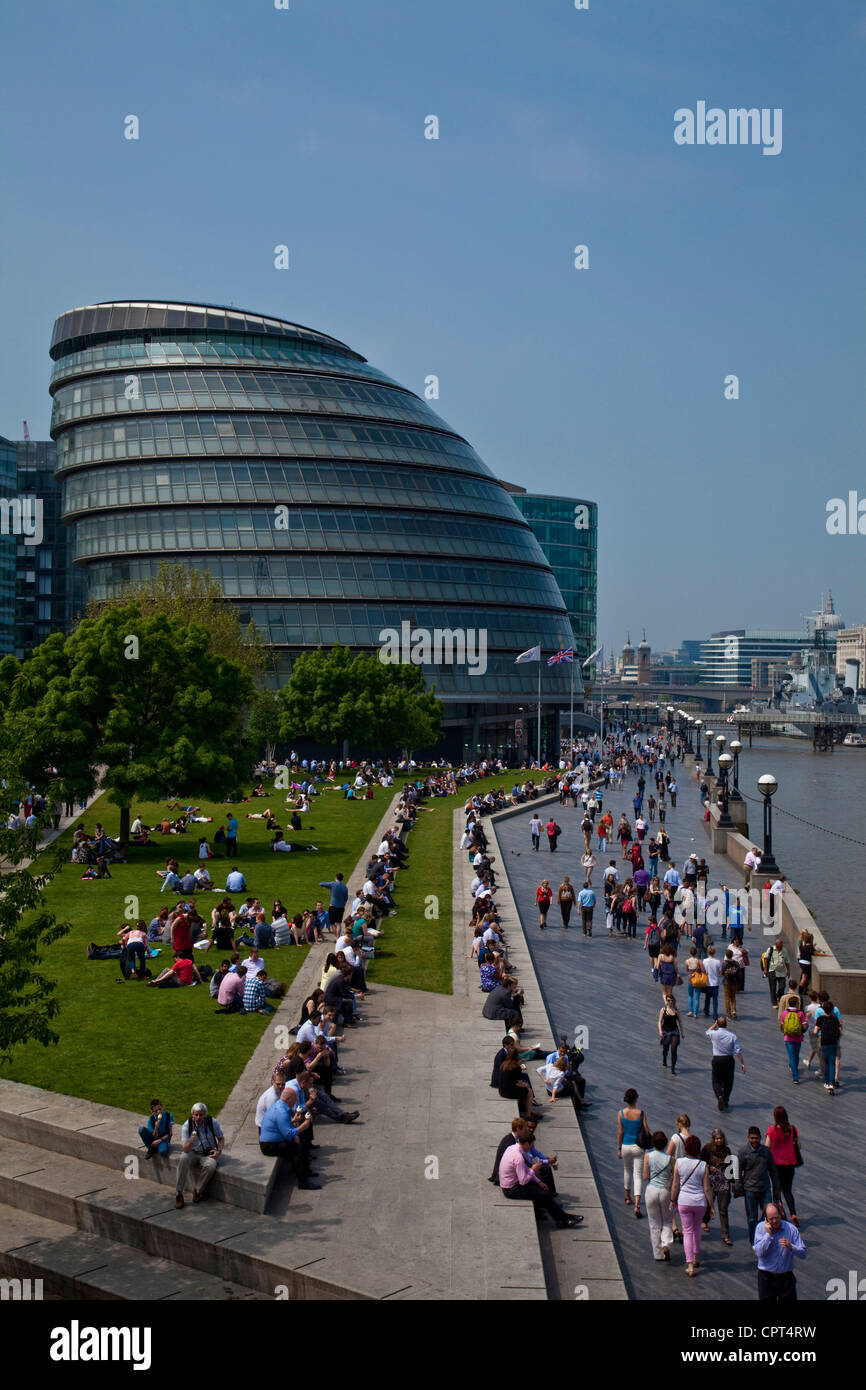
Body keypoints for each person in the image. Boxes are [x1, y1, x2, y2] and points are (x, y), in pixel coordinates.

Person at [498, 1134, 582, 1227]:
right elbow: (523, 1181)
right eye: (531, 1145)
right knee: (544, 1195)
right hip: (511, 1189)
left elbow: (524, 1170)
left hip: (510, 1183)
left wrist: (538, 1181)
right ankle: (562, 1220)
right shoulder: (518, 1157)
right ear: (526, 1143)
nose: (530, 1148)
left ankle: (562, 1216)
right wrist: (533, 1170)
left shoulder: (512, 1148)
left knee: (541, 1188)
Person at [258, 1085, 319, 1189]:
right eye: (294, 1100)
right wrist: (303, 1126)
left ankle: (304, 1170)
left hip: (274, 1140)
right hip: (269, 1146)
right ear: (288, 1099)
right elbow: (289, 1134)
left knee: (299, 1146)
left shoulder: (280, 1106)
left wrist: (293, 1121)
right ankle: (303, 1182)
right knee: (298, 1149)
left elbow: (282, 1125)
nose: (295, 1102)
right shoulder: (281, 1111)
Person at [671, 1134, 713, 1277]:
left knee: (687, 1232)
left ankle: (689, 1265)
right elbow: (707, 1188)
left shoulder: (679, 1162)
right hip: (700, 1202)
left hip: (684, 1201)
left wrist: (672, 1199)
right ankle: (696, 1257)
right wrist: (711, 1206)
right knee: (696, 1230)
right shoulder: (703, 1165)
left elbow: (675, 1184)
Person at [754, 1203, 806, 1301]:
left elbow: (803, 1253)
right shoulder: (760, 1228)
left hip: (785, 1278)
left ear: (780, 1215)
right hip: (766, 1278)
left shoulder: (791, 1229)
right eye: (771, 1219)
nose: (774, 1221)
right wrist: (768, 1235)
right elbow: (758, 1252)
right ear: (766, 1219)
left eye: (776, 1217)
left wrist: (791, 1247)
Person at [175, 1103, 224, 1208]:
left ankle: (197, 1191)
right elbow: (185, 1149)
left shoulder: (212, 1122)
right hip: (193, 1152)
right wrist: (191, 1140)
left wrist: (218, 1151)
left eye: (201, 1115)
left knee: (211, 1165)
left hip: (207, 1153)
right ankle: (179, 1193)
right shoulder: (187, 1126)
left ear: (205, 1115)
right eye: (196, 1115)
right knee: (183, 1157)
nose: (198, 1117)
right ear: (192, 1115)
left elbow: (221, 1138)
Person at [738, 1126, 781, 1243]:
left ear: (760, 1138)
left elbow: (773, 1171)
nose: (754, 1140)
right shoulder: (743, 1152)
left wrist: (777, 1189)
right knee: (752, 1218)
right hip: (750, 1190)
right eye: (752, 1138)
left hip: (765, 1189)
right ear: (748, 1138)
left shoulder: (766, 1151)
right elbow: (738, 1171)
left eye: (756, 1138)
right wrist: (739, 1187)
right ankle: (754, 1240)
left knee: (767, 1216)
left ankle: (765, 1237)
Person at [617, 1088, 651, 1219]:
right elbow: (647, 1131)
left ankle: (627, 1196)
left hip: (625, 1146)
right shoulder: (641, 1113)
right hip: (638, 1147)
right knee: (637, 1175)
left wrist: (618, 1148)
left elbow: (620, 1132)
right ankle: (637, 1205)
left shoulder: (621, 1113)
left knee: (627, 1170)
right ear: (636, 1099)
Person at [765, 1106, 801, 1226]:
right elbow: (799, 1146)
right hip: (789, 1164)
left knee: (777, 1190)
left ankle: (780, 1213)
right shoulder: (793, 1129)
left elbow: (767, 1147)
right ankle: (793, 1214)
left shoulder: (771, 1130)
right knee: (788, 1190)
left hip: (776, 1165)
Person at [643, 1132, 674, 1262]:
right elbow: (673, 1178)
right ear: (665, 1143)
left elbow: (645, 1177)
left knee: (654, 1223)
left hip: (651, 1190)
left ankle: (658, 1254)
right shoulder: (671, 1159)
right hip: (665, 1191)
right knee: (667, 1220)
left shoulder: (648, 1156)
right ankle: (666, 1243)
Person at [706, 1015, 746, 1111]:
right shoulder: (732, 1036)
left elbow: (707, 1031)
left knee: (716, 1080)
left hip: (717, 1059)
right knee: (728, 1081)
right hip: (728, 1060)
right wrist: (742, 1063)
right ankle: (726, 1099)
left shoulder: (714, 1034)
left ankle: (719, 1095)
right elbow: (738, 1051)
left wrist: (714, 1025)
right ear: (726, 1025)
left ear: (718, 1024)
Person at [702, 1128, 734, 1246]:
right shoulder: (707, 1149)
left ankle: (726, 1235)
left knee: (723, 1209)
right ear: (713, 1139)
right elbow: (701, 1162)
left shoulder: (727, 1150)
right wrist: (710, 1167)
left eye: (720, 1138)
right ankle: (704, 1220)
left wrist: (733, 1183)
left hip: (724, 1181)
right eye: (716, 1139)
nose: (719, 1140)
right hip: (711, 1181)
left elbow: (731, 1167)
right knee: (708, 1203)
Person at [814, 1000, 842, 1094]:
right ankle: (831, 1083)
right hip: (833, 1043)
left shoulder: (820, 1019)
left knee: (826, 1062)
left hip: (824, 1042)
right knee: (832, 1063)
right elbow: (839, 1029)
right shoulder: (834, 1018)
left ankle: (827, 1082)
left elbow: (815, 1031)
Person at [779, 994, 807, 1082]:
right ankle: (795, 1068)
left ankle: (795, 1077)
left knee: (791, 1056)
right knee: (796, 1055)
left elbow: (782, 1026)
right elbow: (805, 1027)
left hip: (788, 1038)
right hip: (798, 1038)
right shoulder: (800, 1013)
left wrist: (785, 1032)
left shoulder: (785, 1013)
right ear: (796, 1004)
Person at [658, 995, 684, 1075]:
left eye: (671, 1000)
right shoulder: (663, 1010)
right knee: (665, 1049)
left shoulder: (676, 1010)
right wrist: (660, 1030)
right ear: (666, 1001)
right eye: (668, 1000)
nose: (670, 1002)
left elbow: (680, 1022)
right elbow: (659, 1021)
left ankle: (673, 1068)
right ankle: (664, 1060)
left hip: (674, 1032)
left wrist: (682, 1032)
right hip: (666, 1031)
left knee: (673, 1050)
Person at [762, 937, 790, 1007]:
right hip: (772, 971)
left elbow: (787, 961)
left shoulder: (784, 951)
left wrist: (788, 970)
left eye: (782, 945)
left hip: (782, 971)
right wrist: (765, 969)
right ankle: (774, 1003)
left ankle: (779, 996)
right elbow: (765, 959)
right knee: (773, 987)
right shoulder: (771, 949)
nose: (781, 946)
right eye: (780, 945)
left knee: (782, 986)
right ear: (776, 945)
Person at [702, 943, 722, 1019]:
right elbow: (720, 972)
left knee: (707, 998)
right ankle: (715, 1014)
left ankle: (706, 1010)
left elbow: (703, 971)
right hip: (715, 983)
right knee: (715, 999)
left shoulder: (704, 961)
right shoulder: (718, 961)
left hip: (707, 983)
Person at [721, 948, 740, 1020]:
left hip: (726, 982)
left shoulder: (724, 963)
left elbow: (723, 973)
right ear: (732, 955)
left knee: (727, 999)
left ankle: (728, 1015)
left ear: (726, 955)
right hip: (734, 982)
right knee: (733, 997)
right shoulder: (736, 963)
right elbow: (739, 973)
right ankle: (734, 1010)